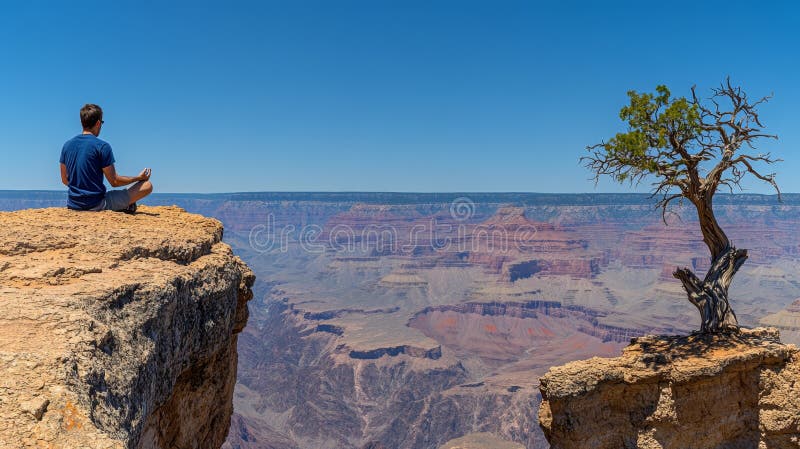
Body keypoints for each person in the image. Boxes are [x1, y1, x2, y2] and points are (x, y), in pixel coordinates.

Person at [59, 104, 153, 213]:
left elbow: (65, 180)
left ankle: (124, 204)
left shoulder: (67, 145)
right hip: (97, 204)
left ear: (82, 123)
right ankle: (124, 205)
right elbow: (114, 181)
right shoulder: (102, 147)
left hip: (73, 204)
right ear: (98, 123)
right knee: (147, 185)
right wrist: (138, 178)